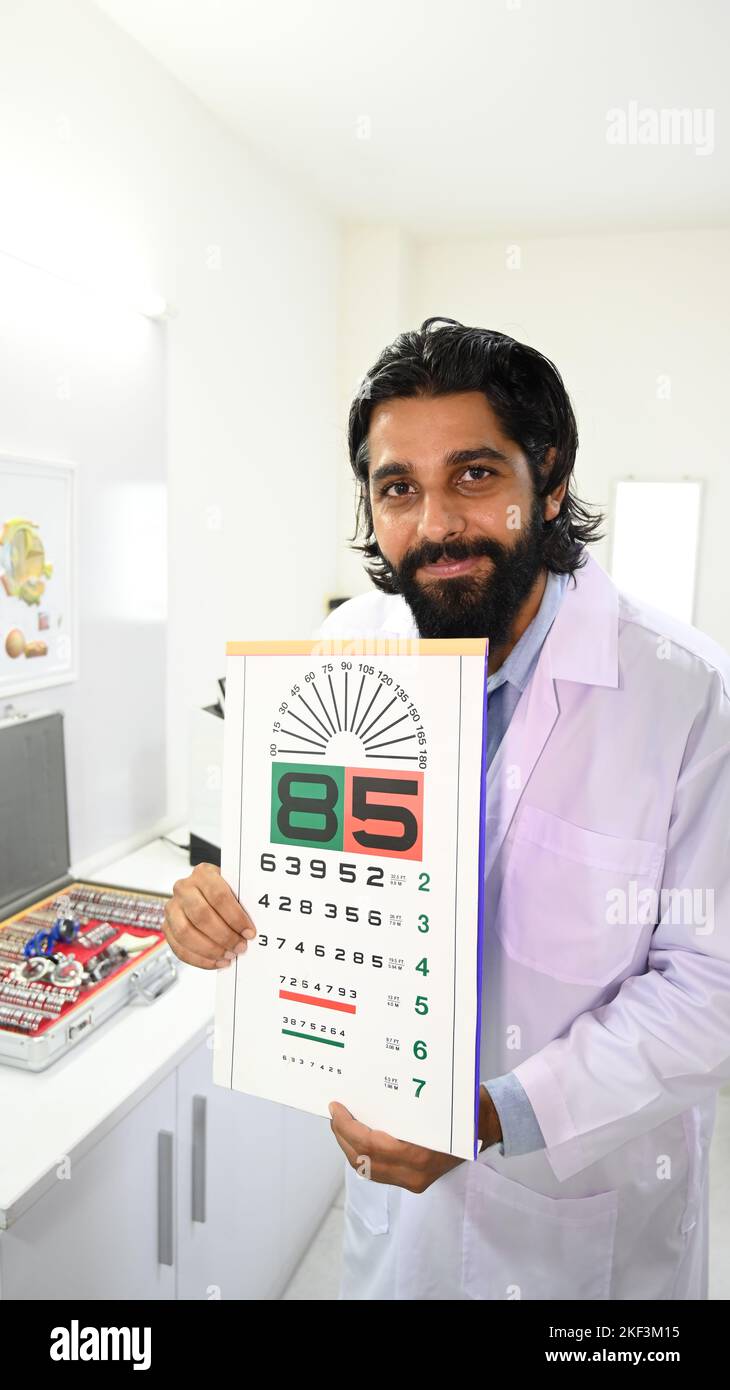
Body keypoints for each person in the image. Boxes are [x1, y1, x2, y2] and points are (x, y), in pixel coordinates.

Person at [163, 317, 730, 1301]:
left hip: (583, 1225)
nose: (433, 525)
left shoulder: (684, 692)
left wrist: (493, 1114)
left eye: (473, 475)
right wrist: (217, 910)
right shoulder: (347, 643)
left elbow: (711, 988)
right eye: (397, 488)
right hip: (403, 1227)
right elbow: (308, 873)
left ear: (545, 482)